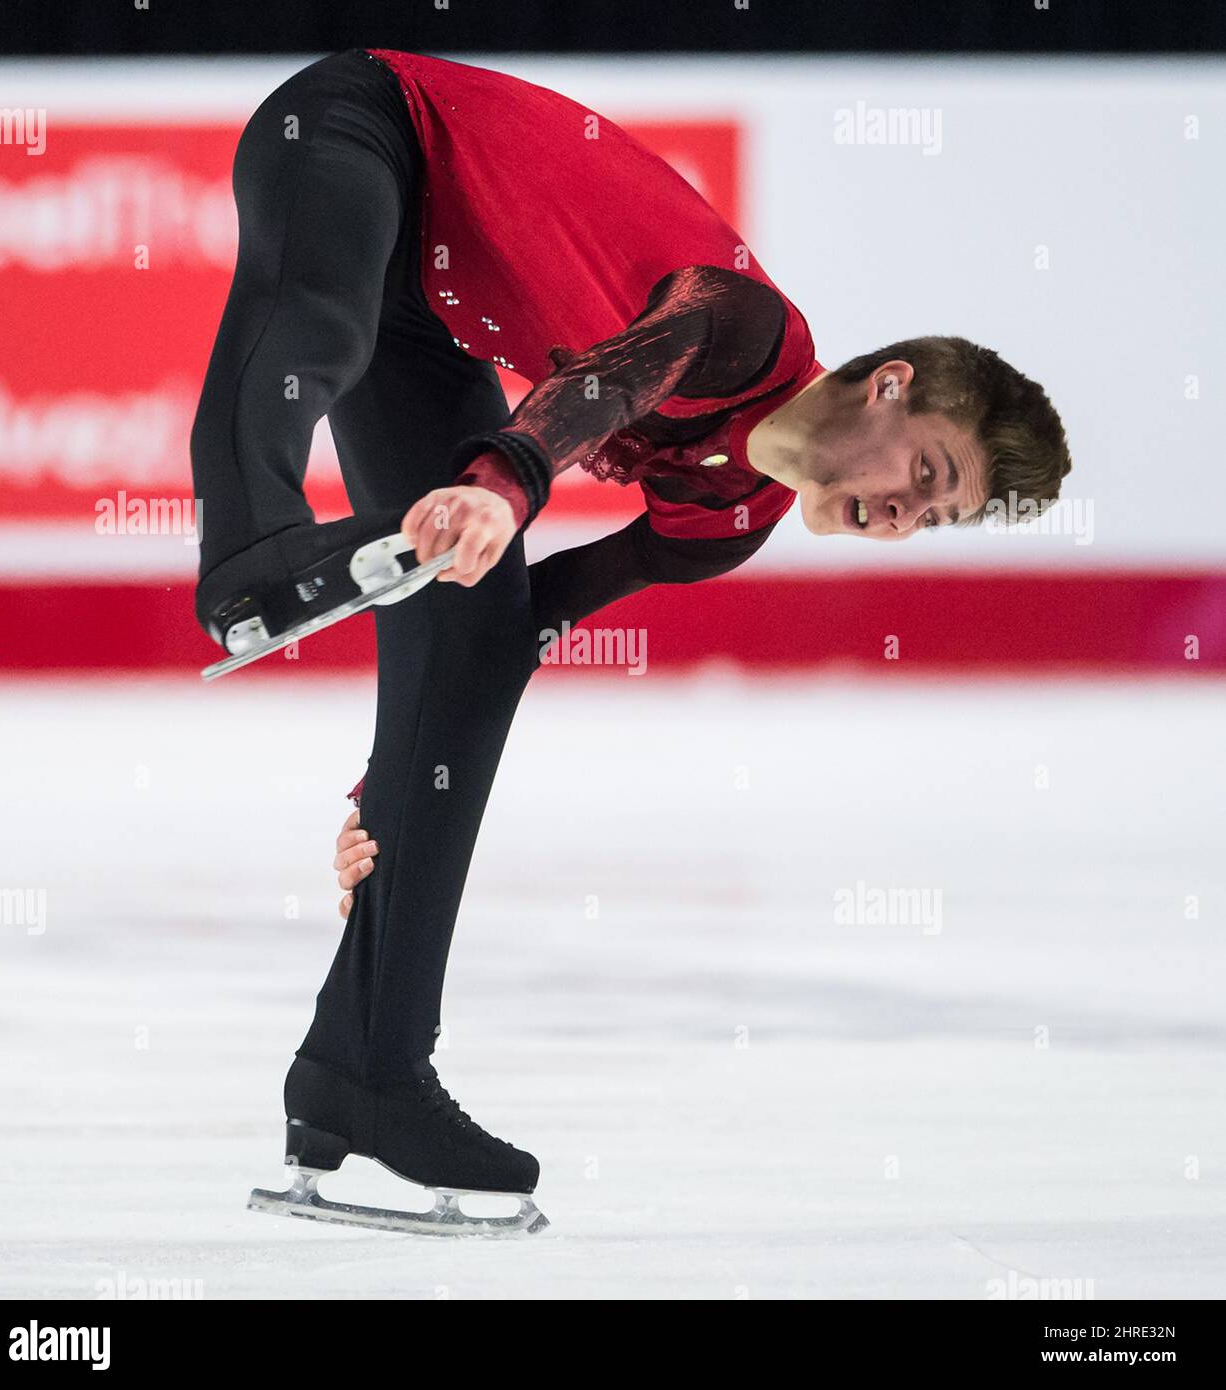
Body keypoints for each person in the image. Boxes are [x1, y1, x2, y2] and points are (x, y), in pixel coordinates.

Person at [190, 47, 1071, 1233]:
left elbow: (520, 623)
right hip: (367, 127)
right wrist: (505, 480)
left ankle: (367, 1067)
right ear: (888, 388)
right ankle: (249, 561)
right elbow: (611, 380)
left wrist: (387, 790)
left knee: (476, 634)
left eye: (936, 515)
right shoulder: (749, 328)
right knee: (318, 321)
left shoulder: (728, 522)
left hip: (432, 317)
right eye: (928, 469)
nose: (905, 514)